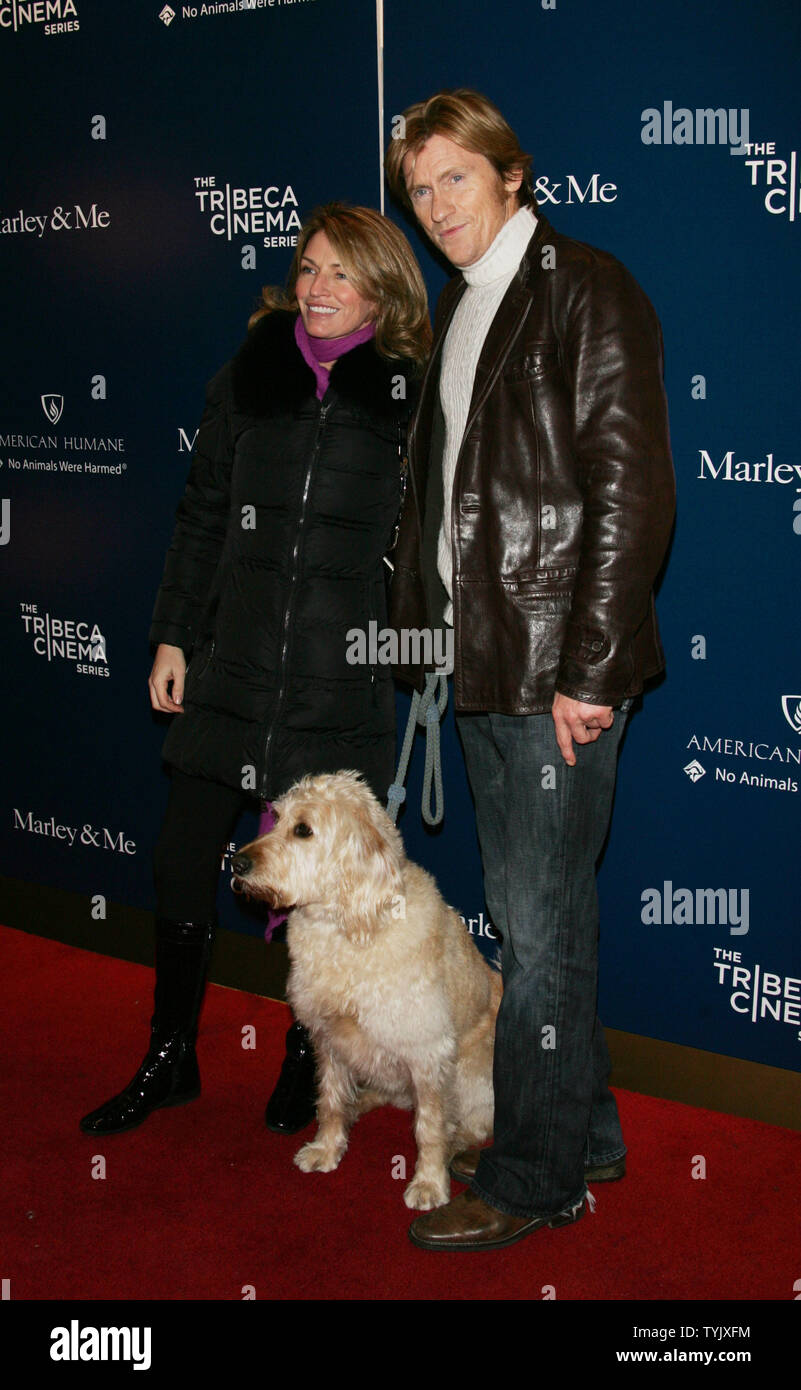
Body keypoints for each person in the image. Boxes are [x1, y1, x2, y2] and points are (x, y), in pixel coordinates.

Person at [385, 91, 675, 1250]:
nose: (437, 203)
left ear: (515, 175)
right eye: (420, 187)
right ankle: (589, 1128)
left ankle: (537, 1178)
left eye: (457, 176)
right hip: (485, 664)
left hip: (560, 670)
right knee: (536, 918)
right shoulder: (462, 303)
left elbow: (632, 491)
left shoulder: (585, 286)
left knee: (540, 935)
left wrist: (591, 669)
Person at [80, 204, 430, 1139]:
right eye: (309, 267)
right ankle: (171, 1056)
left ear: (380, 291)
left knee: (325, 886)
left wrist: (408, 649)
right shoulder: (249, 377)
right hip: (233, 665)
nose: (318, 288)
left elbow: (429, 542)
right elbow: (201, 516)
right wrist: (172, 638)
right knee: (182, 858)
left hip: (333, 681)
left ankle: (308, 1062)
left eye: (341, 274)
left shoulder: (408, 396)